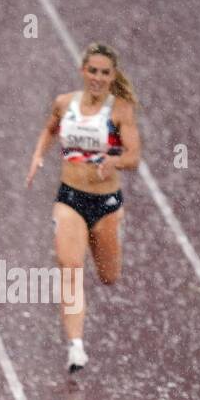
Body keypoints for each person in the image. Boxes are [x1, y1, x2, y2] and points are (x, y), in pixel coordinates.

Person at [26, 42, 140, 374]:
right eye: (93, 71)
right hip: (71, 198)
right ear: (83, 71)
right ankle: (76, 347)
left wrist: (115, 160)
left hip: (105, 202)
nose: (98, 78)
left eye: (105, 73)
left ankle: (115, 228)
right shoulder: (65, 104)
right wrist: (38, 156)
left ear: (112, 76)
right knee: (70, 267)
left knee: (108, 276)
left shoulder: (120, 110)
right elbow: (49, 130)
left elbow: (134, 156)